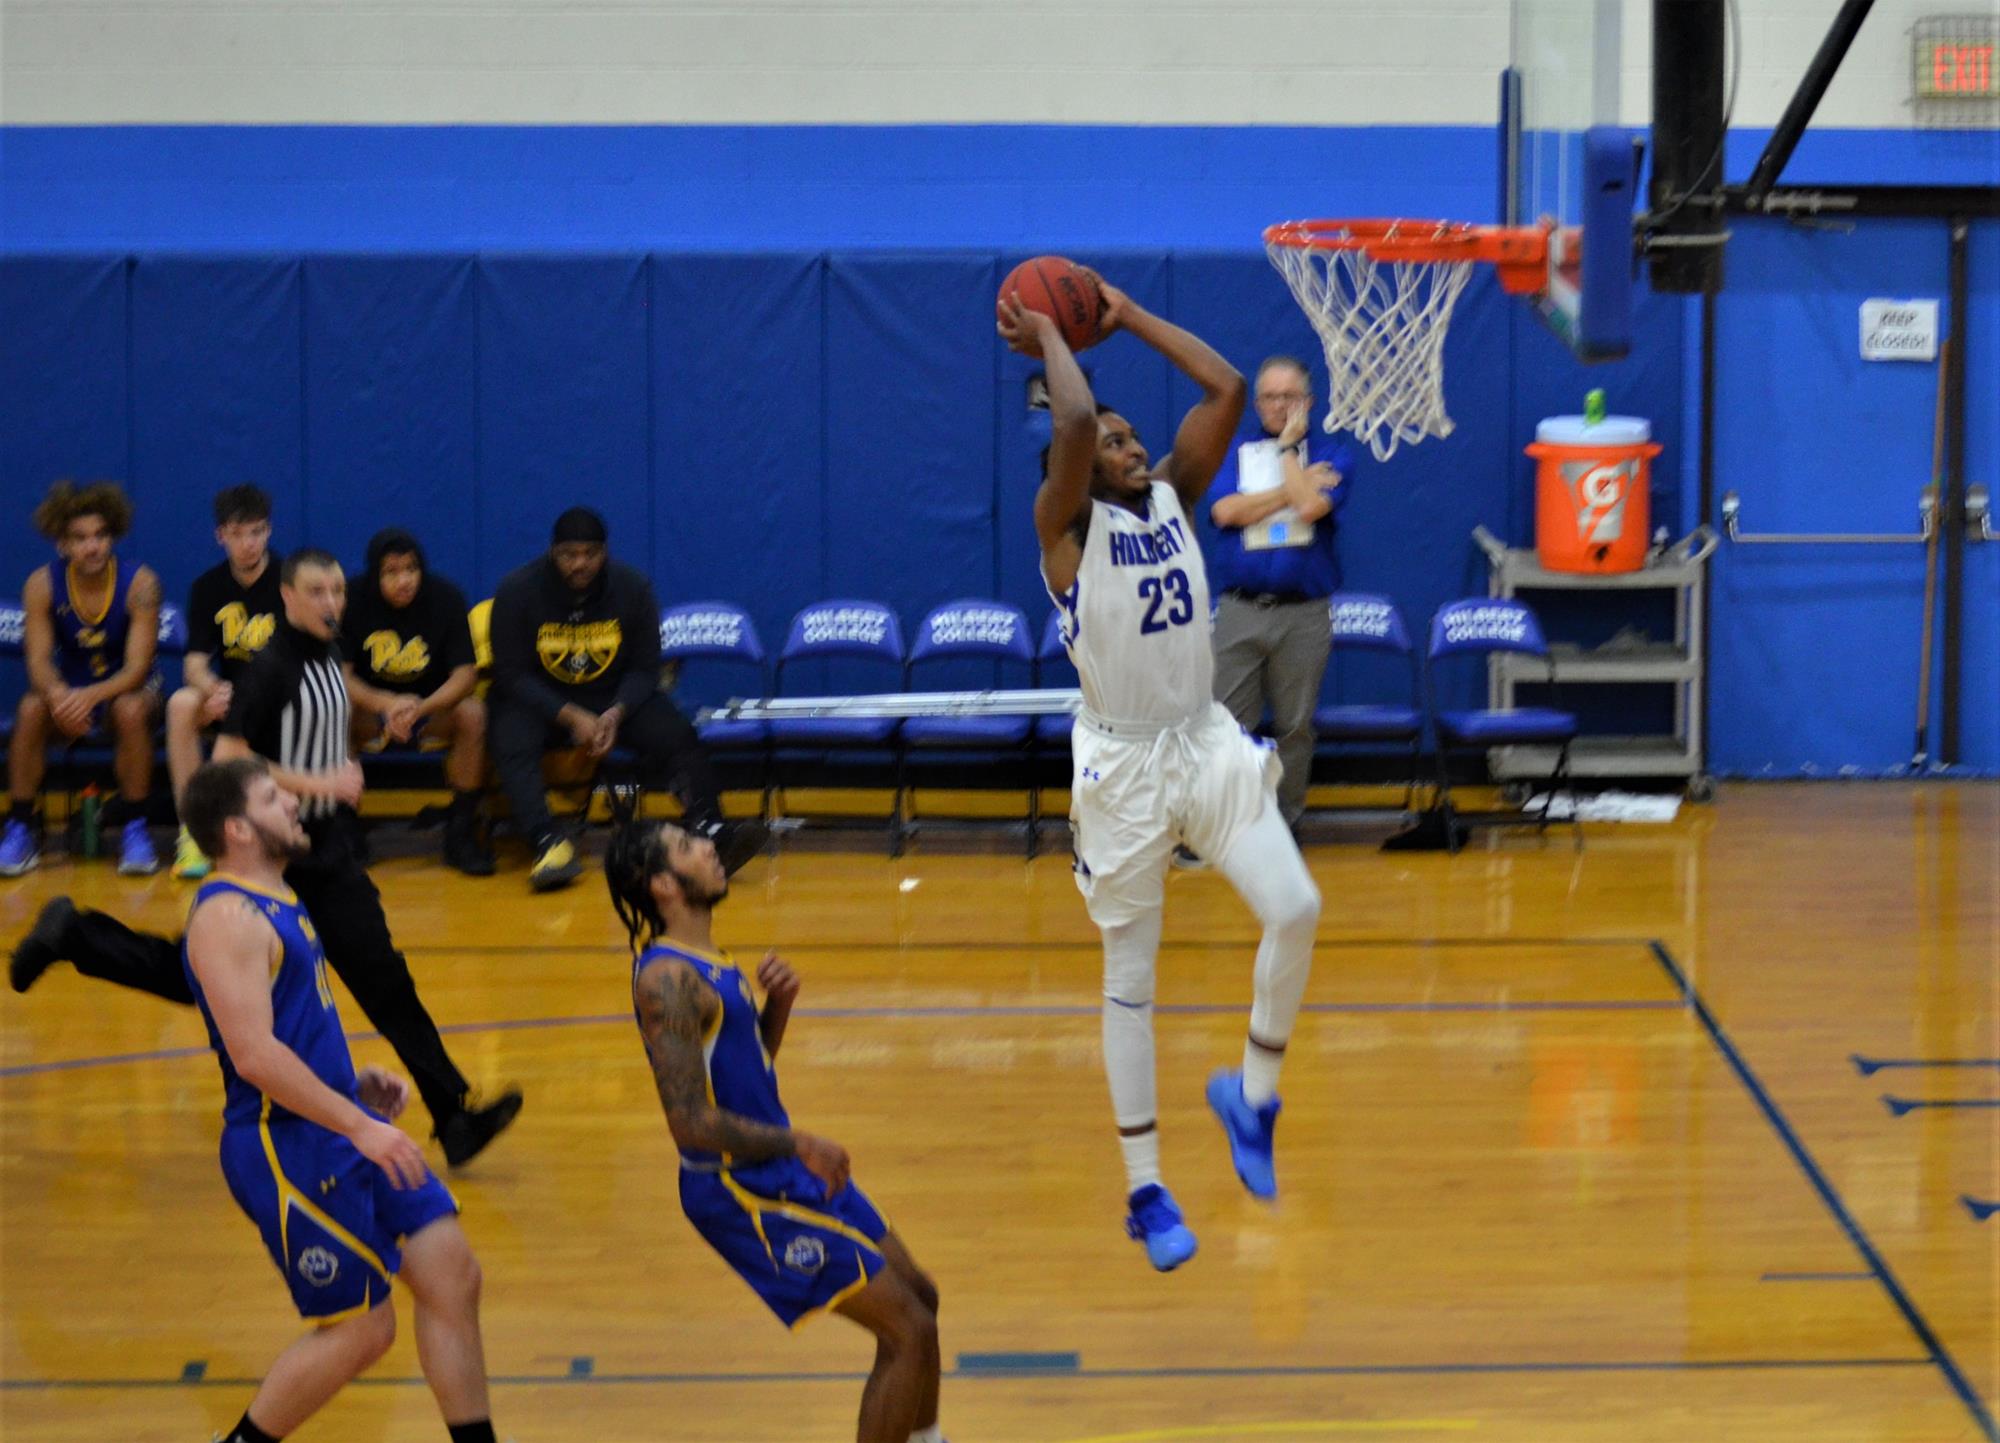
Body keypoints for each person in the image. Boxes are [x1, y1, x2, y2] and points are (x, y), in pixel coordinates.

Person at [998, 274, 1322, 1271]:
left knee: (1296, 907)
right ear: (1077, 468)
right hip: (1122, 766)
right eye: (1113, 442)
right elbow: (1077, 418)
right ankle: (1144, 1190)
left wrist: (1127, 314)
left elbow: (1223, 389)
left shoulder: (1175, 497)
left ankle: (1251, 1098)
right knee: (1129, 984)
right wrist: (1054, 333)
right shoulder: (1064, 532)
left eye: (1136, 438)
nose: (1129, 445)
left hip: (1202, 739)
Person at [9, 551, 523, 1168]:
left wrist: (346, 765)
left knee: (383, 980)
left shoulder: (331, 652)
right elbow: (229, 760)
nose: (331, 601)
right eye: (316, 590)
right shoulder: (272, 668)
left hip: (323, 849)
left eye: (337, 589)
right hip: (276, 857)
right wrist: (323, 784)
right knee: (195, 976)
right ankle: (78, 935)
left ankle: (454, 1115)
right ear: (287, 598)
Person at [174, 756, 501, 1443]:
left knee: (452, 1275)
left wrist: (353, 1083)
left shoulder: (282, 895)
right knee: (362, 1328)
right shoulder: (226, 915)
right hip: (285, 1146)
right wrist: (361, 1125)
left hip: (336, 1124)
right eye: (273, 797)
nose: (293, 804)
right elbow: (254, 1054)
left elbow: (293, 1027)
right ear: (237, 828)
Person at [607, 811, 947, 1443]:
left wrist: (776, 1012)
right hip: (739, 1190)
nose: (708, 849)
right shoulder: (668, 979)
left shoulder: (708, 959)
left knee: (921, 1298)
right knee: (908, 1330)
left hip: (779, 1169)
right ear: (659, 884)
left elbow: (741, 1073)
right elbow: (689, 1123)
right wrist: (800, 1140)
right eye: (687, 847)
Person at [487, 507, 766, 892]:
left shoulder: (633, 588)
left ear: (605, 553)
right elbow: (512, 675)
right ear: (553, 553)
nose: (580, 564)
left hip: (613, 699)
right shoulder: (517, 591)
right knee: (510, 732)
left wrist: (616, 713)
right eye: (570, 554)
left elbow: (645, 670)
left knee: (674, 731)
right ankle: (547, 841)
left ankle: (709, 826)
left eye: (590, 554)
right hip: (543, 702)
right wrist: (570, 716)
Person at [1200, 356, 1356, 840]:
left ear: (1308, 402)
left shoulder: (1334, 454)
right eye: (1269, 396)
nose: (1278, 405)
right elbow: (1226, 511)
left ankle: (1283, 829)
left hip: (1303, 615)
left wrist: (1290, 455)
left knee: (1294, 727)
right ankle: (1229, 830)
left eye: (1289, 396)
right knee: (1228, 728)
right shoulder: (1236, 451)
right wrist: (1291, 491)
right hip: (1240, 610)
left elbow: (1313, 507)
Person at [2, 481, 163, 877]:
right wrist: (60, 697)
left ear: (112, 537)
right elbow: (38, 659)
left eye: (101, 536)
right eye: (81, 538)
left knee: (128, 709)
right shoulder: (41, 584)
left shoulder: (141, 584)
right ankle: (21, 825)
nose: (93, 546)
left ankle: (135, 828)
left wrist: (85, 698)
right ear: (62, 544)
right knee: (31, 706)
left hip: (129, 692)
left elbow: (137, 669)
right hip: (71, 694)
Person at [342, 527, 493, 875]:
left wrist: (420, 708)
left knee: (473, 713)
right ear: (374, 573)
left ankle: (461, 830)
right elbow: (340, 674)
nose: (404, 581)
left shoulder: (446, 598)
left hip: (430, 711)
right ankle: (345, 825)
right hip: (371, 711)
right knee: (335, 709)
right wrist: (385, 704)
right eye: (391, 572)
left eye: (411, 569)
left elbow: (466, 675)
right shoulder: (352, 599)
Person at [169, 484, 285, 880]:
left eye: (256, 532)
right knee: (182, 704)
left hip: (277, 699)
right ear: (221, 536)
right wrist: (211, 689)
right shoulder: (207, 588)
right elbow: (195, 663)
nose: (248, 544)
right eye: (237, 534)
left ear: (268, 531)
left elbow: (303, 661)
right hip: (229, 697)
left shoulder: (290, 581)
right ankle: (193, 832)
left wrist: (248, 698)